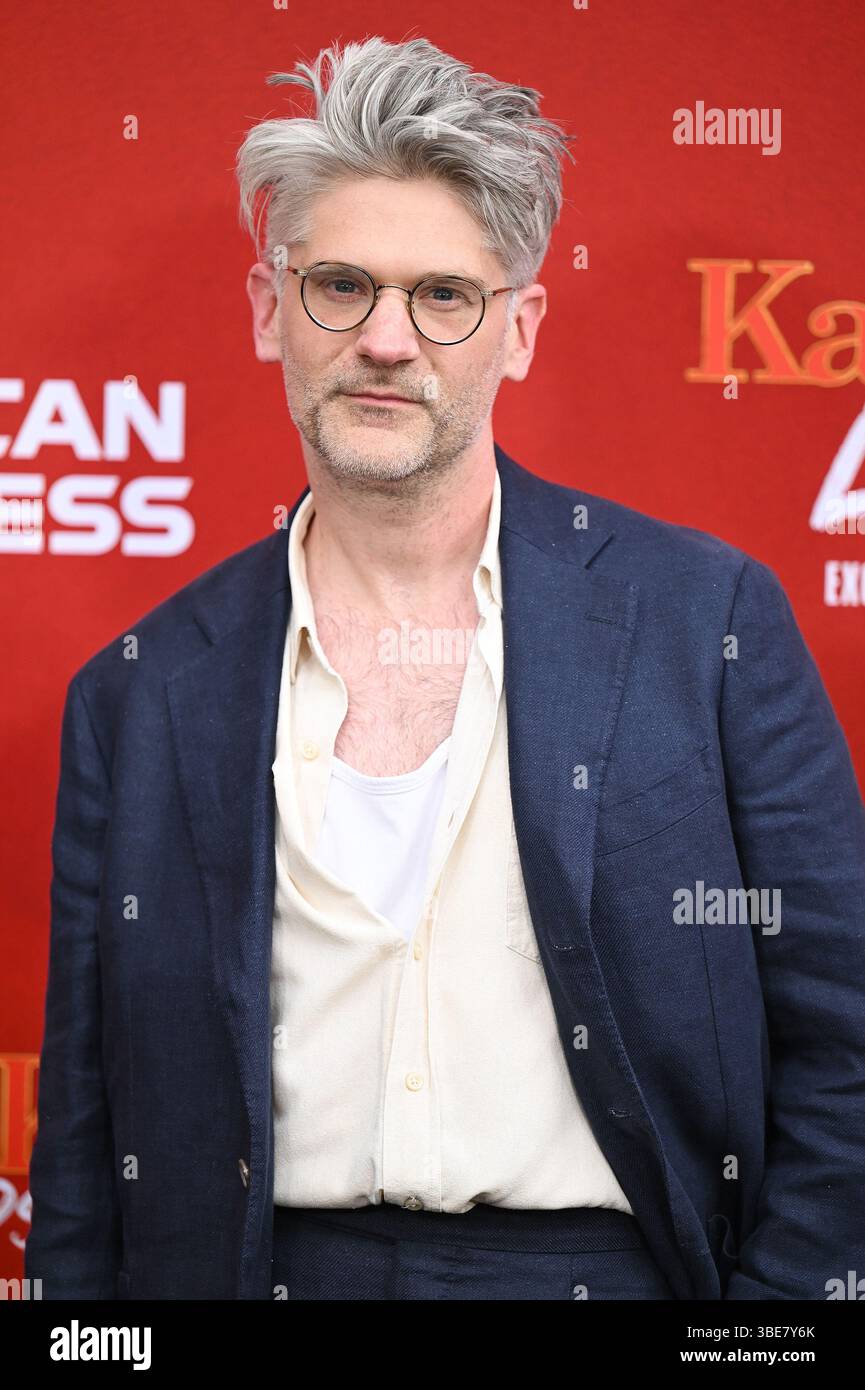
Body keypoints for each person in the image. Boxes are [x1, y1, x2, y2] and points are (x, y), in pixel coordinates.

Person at [25, 35, 865, 1301]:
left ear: (516, 330)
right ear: (268, 308)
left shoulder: (707, 622)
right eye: (341, 286)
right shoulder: (137, 692)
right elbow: (86, 1148)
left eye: (443, 296)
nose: (384, 340)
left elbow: (843, 1041)